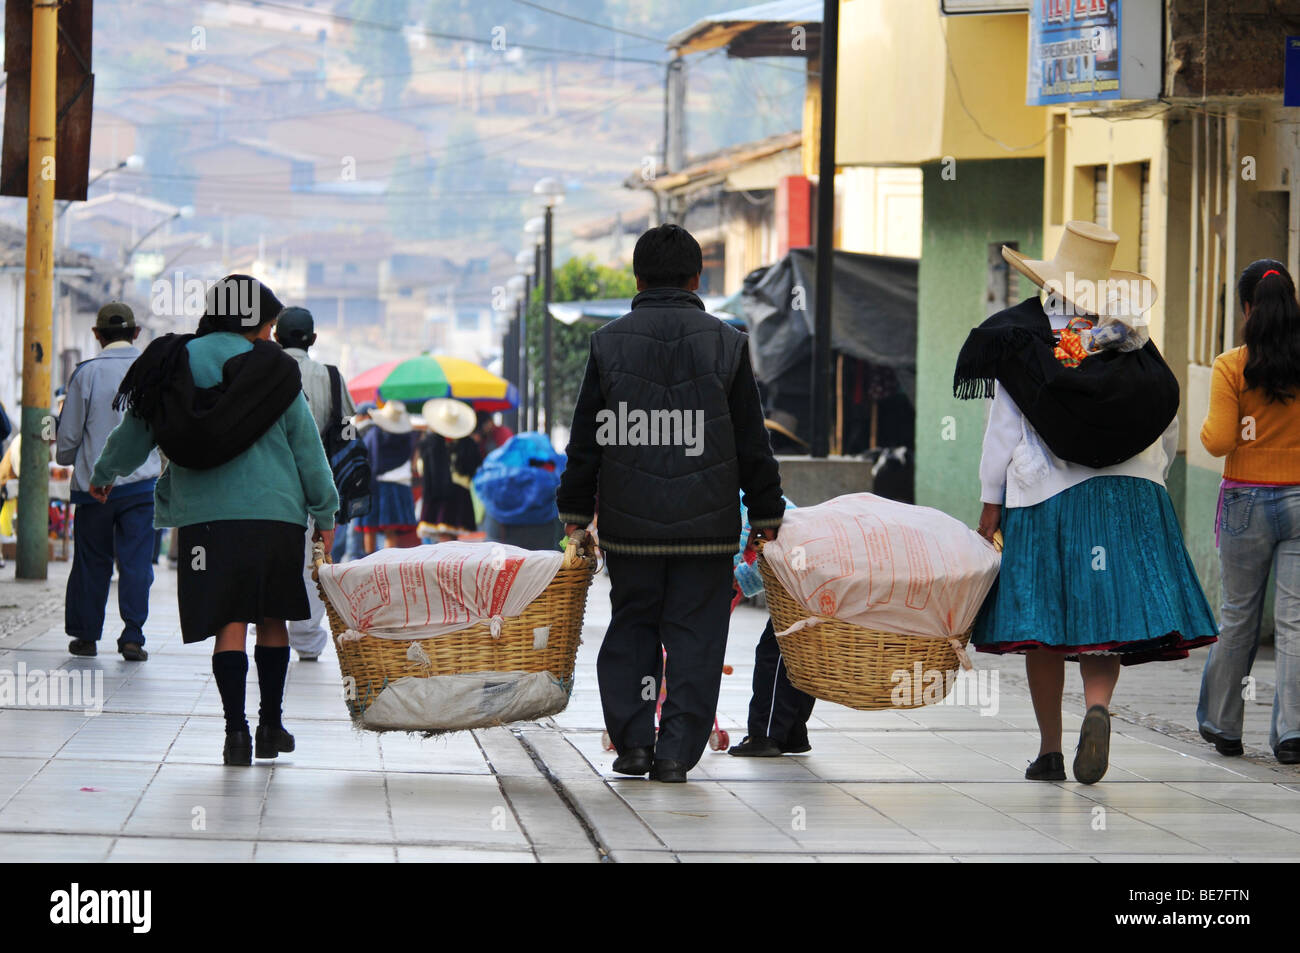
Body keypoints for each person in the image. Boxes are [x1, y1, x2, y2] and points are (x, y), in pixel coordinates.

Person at [955, 221, 1218, 785]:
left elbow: (1002, 430)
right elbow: (1165, 422)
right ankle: (1097, 707)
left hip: (1044, 495)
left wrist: (989, 501)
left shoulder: (1023, 336)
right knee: (1107, 617)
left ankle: (1049, 750)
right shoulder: (1132, 337)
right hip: (1131, 492)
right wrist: (1148, 479)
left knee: (1042, 621)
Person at [557, 223, 785, 783]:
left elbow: (586, 437)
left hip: (630, 527)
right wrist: (766, 515)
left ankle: (633, 744)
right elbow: (752, 439)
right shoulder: (727, 342)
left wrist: (575, 514)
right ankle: (677, 753)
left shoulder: (608, 342)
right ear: (696, 277)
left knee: (633, 626)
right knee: (696, 637)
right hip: (706, 527)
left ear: (637, 277)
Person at [90, 275, 339, 767]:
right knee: (272, 618)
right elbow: (307, 447)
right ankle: (271, 725)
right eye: (268, 324)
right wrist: (325, 511)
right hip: (275, 516)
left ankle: (236, 734)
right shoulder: (275, 370)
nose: (270, 334)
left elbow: (135, 428)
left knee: (230, 620)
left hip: (206, 520)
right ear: (252, 321)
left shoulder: (172, 359)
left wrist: (105, 474)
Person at [1197, 259, 1300, 765]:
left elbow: (1217, 441)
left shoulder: (1232, 365)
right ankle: (1292, 734)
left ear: (1245, 308)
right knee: (1296, 622)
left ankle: (1223, 725)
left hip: (1245, 502)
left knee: (1237, 617)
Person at [56, 302, 163, 662]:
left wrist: (72, 459)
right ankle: (133, 635)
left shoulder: (85, 374)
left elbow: (68, 437)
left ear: (97, 335)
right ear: (136, 333)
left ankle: (86, 637)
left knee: (91, 561)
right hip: (141, 487)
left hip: (92, 490)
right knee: (136, 563)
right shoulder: (152, 372)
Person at [274, 306, 355, 661]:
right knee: (312, 559)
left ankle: (267, 626)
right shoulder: (332, 377)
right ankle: (306, 641)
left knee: (272, 556)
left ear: (276, 337)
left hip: (270, 482)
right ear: (314, 340)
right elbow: (349, 431)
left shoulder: (261, 372)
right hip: (318, 482)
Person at [727, 494, 816, 758]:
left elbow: (753, 551)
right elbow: (759, 556)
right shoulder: (756, 502)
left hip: (800, 577)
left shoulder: (744, 506)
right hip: (810, 578)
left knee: (776, 654)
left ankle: (765, 735)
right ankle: (792, 733)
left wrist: (732, 581)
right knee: (799, 655)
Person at [358, 400, 418, 551]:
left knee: (369, 528)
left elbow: (369, 460)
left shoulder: (374, 434)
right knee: (390, 532)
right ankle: (387, 570)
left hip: (374, 485)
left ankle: (369, 568)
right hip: (399, 486)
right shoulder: (407, 438)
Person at [417, 398, 480, 541]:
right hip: (460, 492)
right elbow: (473, 468)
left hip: (437, 494)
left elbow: (422, 469)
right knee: (452, 536)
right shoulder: (469, 444)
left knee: (444, 536)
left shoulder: (429, 443)